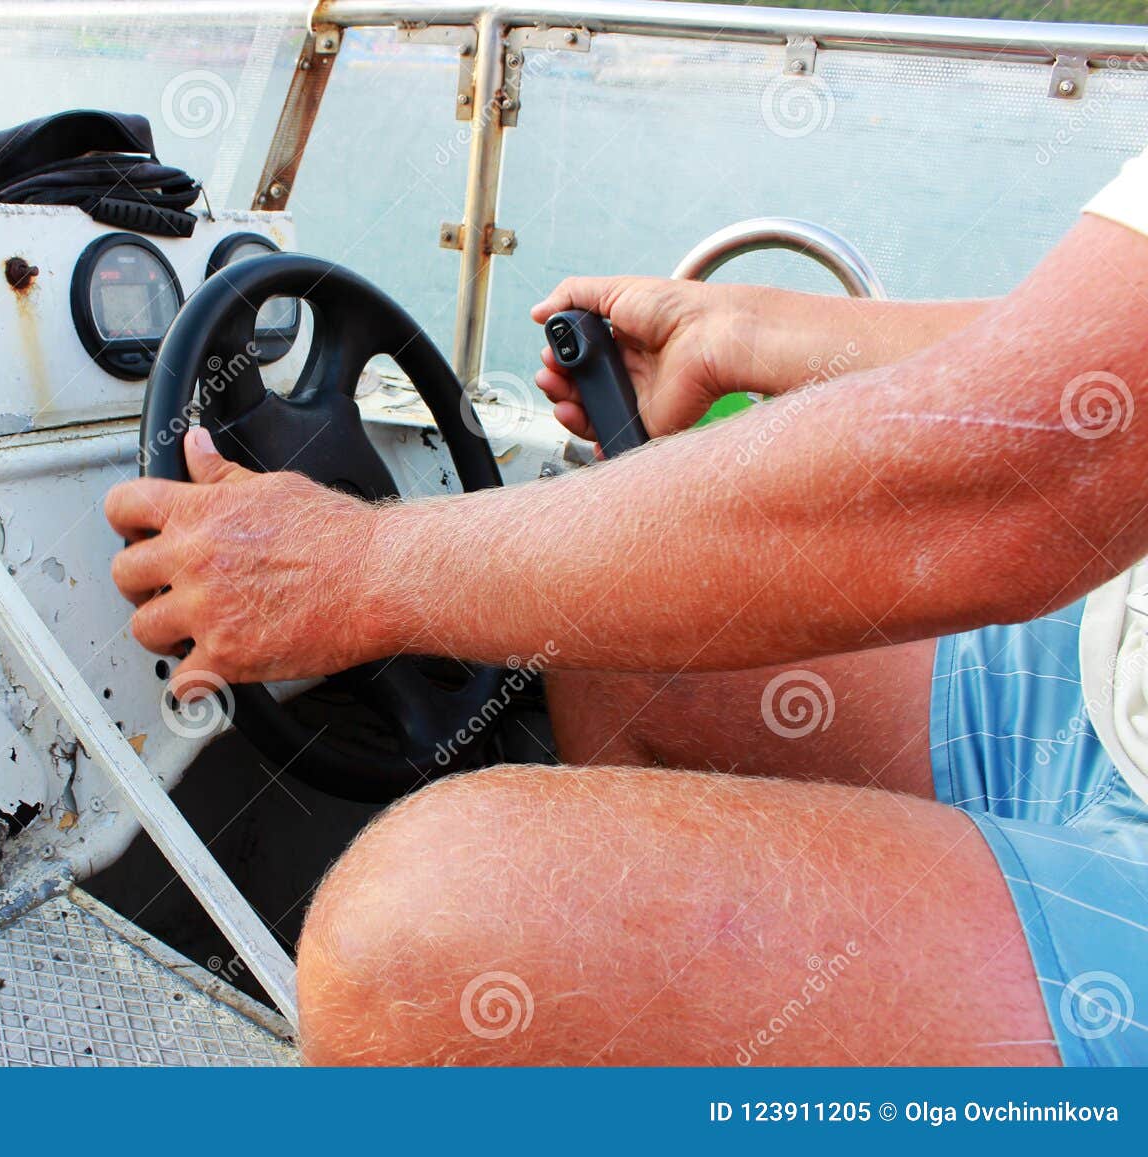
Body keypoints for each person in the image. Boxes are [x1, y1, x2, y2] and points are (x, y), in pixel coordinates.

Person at [104, 151, 1148, 1066]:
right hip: (1107, 669)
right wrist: (753, 329)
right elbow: (1071, 350)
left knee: (414, 939)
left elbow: (1034, 470)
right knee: (612, 621)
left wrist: (359, 566)